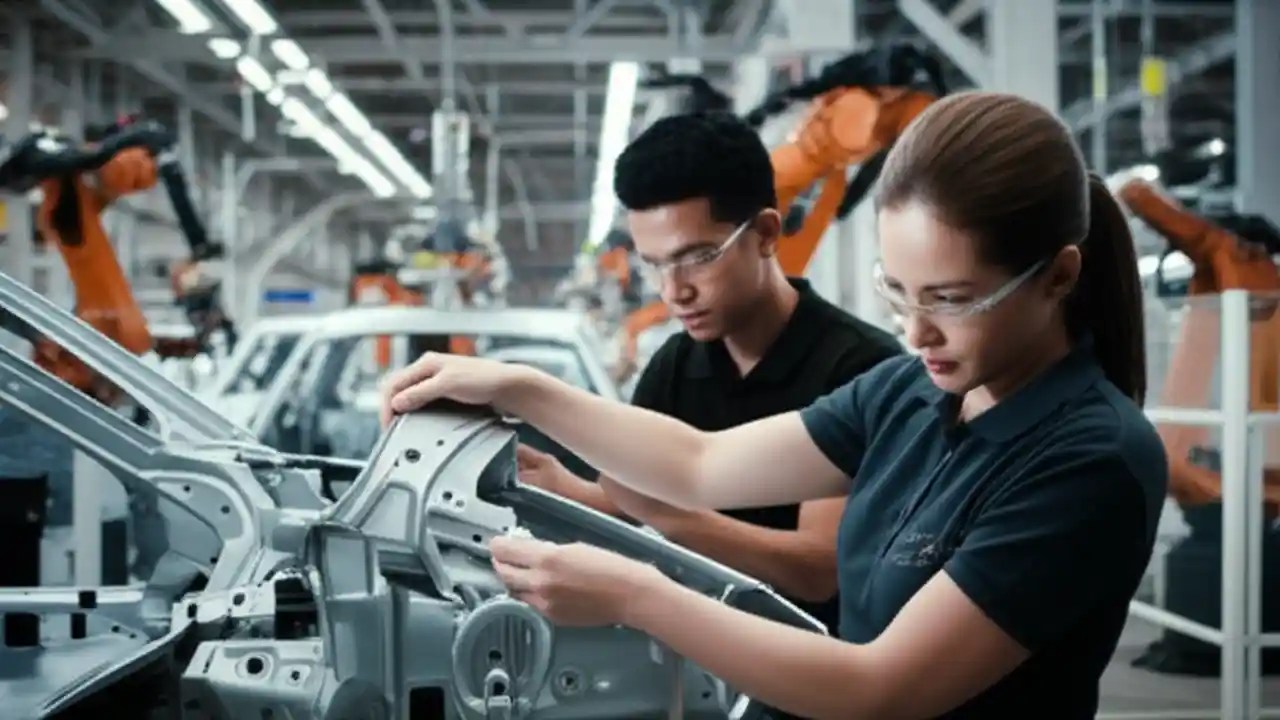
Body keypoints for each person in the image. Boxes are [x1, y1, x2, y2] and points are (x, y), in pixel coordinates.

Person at [382, 91, 1169, 719]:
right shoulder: (909, 392)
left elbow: (879, 689)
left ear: (1058, 277)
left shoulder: (1089, 459)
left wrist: (632, 593)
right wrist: (518, 387)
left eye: (951, 300)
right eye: (897, 295)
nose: (917, 331)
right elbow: (700, 464)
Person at [516, 110, 902, 636]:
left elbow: (816, 569)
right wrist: (556, 484)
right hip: (699, 666)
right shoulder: (676, 364)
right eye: (654, 264)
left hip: (816, 674)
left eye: (697, 257)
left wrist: (673, 519)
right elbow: (633, 499)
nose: (674, 291)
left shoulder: (859, 369)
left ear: (766, 232)